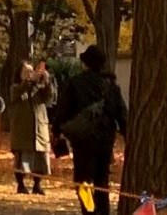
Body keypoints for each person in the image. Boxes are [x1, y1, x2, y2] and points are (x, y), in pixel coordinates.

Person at [53, 44, 126, 215]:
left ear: (85, 63)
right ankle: (103, 211)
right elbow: (121, 112)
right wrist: (126, 133)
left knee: (82, 181)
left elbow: (62, 110)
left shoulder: (75, 83)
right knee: (102, 180)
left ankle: (89, 211)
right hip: (105, 139)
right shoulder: (111, 85)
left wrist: (56, 131)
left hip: (83, 140)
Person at [8, 61, 54, 195]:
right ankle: (21, 184)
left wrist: (46, 80)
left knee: (41, 158)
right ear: (19, 74)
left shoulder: (38, 88)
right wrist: (29, 81)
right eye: (25, 72)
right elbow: (19, 90)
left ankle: (37, 185)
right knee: (21, 159)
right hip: (22, 130)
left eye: (30, 71)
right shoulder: (15, 88)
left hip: (39, 129)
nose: (29, 74)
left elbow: (49, 97)